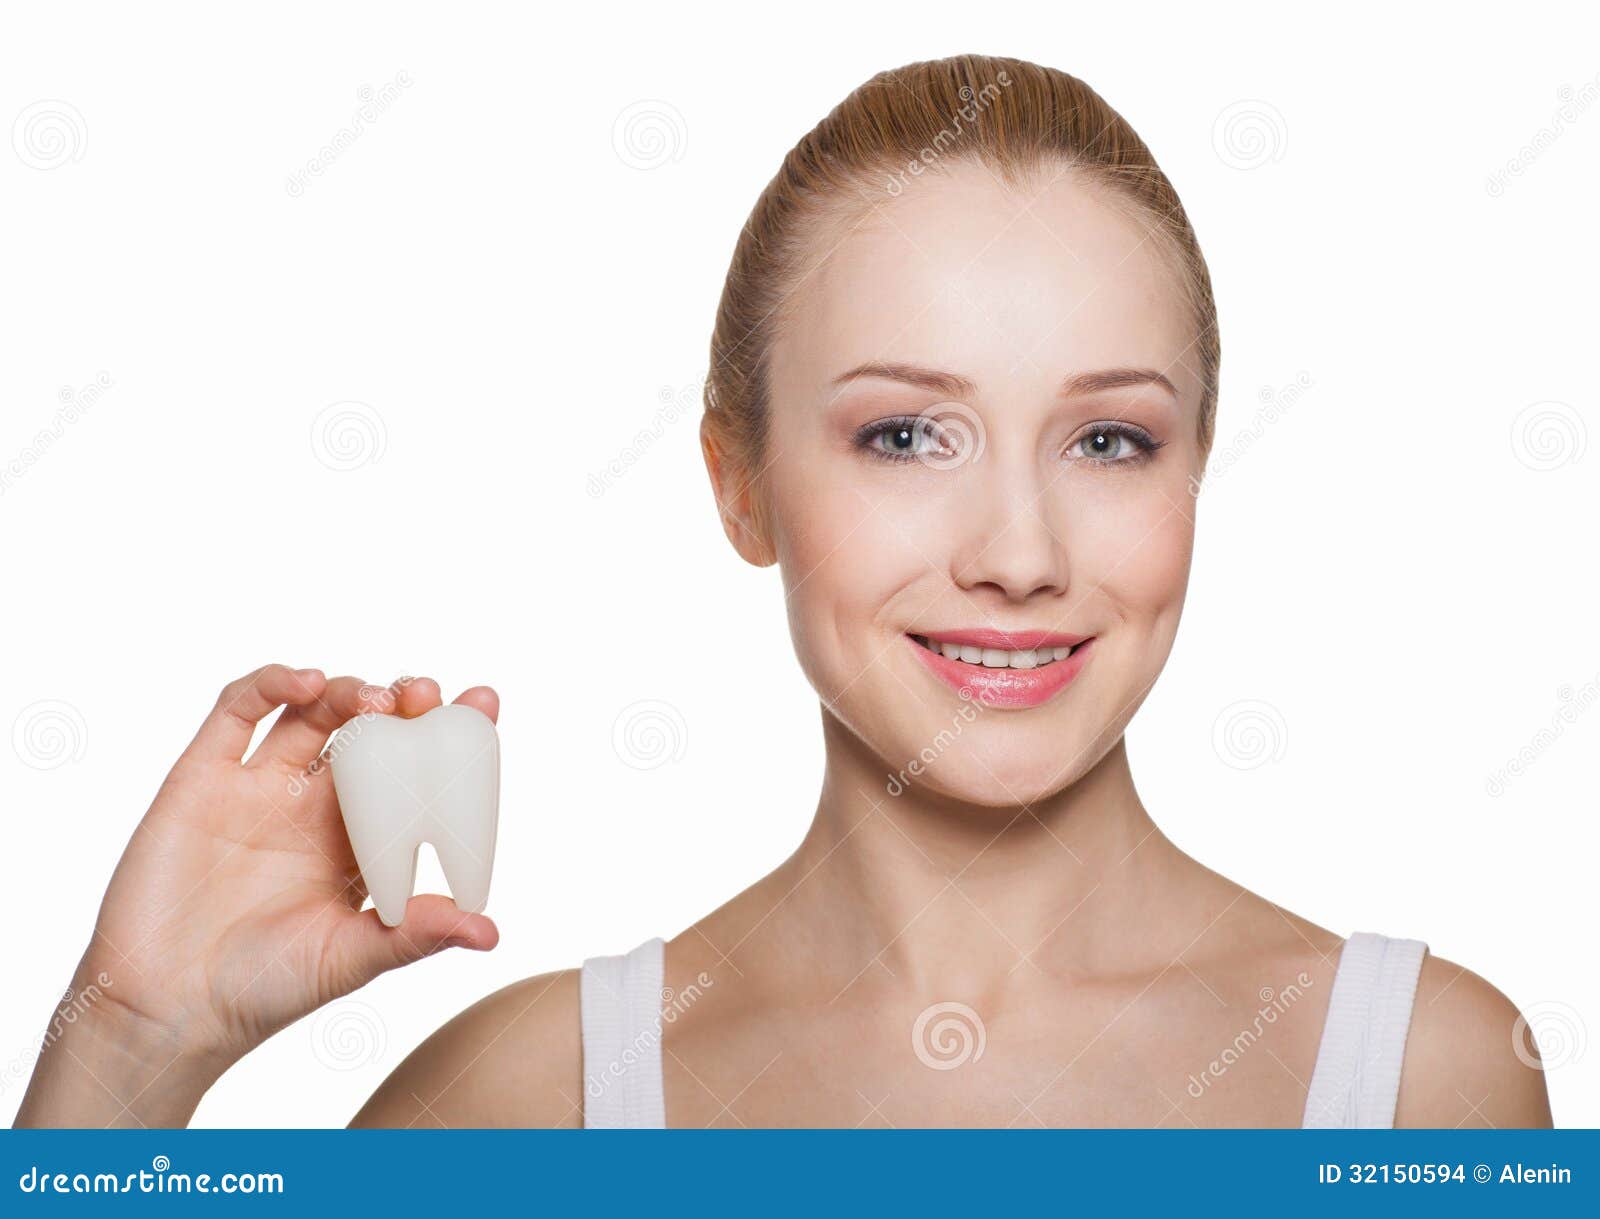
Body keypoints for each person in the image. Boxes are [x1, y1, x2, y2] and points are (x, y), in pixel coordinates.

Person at [16, 54, 1553, 1129]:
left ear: (1196, 470)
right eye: (903, 434)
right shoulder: (523, 1110)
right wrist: (130, 1053)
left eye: (1107, 438)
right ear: (738, 481)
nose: (1019, 553)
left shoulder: (1426, 1077)